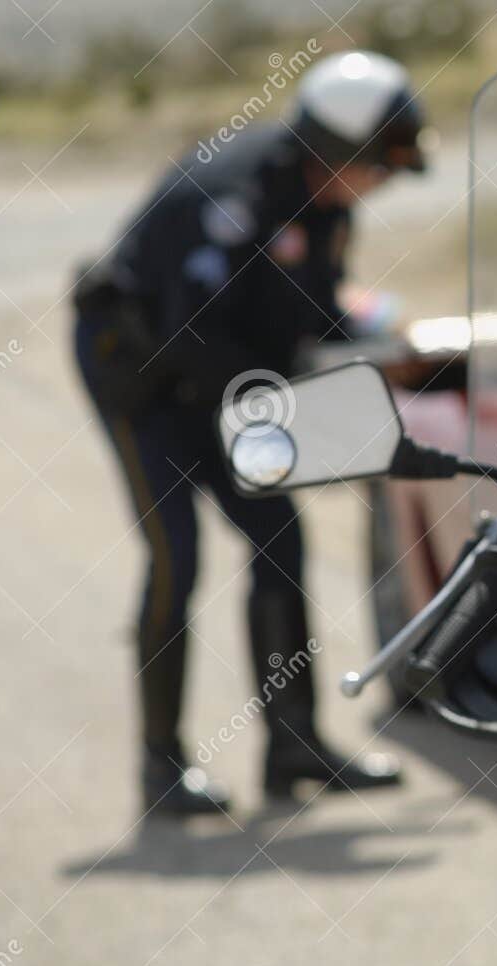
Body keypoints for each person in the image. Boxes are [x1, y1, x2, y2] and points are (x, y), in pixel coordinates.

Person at [72, 52, 426, 816]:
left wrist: (379, 356)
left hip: (222, 385)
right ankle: (159, 765)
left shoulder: (327, 205)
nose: (384, 184)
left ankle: (293, 745)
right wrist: (291, 397)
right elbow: (192, 328)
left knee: (279, 537)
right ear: (340, 152)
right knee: (177, 555)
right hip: (143, 378)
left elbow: (309, 315)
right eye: (381, 167)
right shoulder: (235, 196)